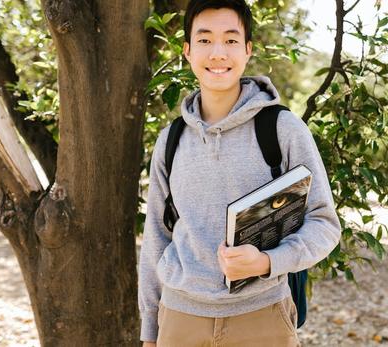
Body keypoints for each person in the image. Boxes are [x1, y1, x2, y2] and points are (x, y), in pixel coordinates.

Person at [138, 1, 341, 346]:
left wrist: (266, 262)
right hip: (180, 317)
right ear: (187, 51)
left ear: (247, 51)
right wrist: (150, 332)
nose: (218, 53)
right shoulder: (171, 140)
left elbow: (324, 224)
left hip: (262, 317)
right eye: (204, 40)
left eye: (231, 40)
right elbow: (157, 238)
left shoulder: (283, 130)